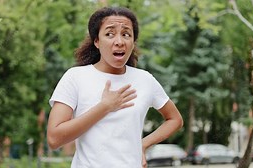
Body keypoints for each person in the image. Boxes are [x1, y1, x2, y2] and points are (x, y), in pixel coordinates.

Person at [47, 6, 183, 168]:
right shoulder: (75, 77)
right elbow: (54, 139)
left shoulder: (145, 80)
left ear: (133, 42)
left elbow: (175, 119)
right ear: (97, 41)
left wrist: (143, 144)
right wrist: (105, 107)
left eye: (126, 34)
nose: (119, 42)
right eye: (109, 34)